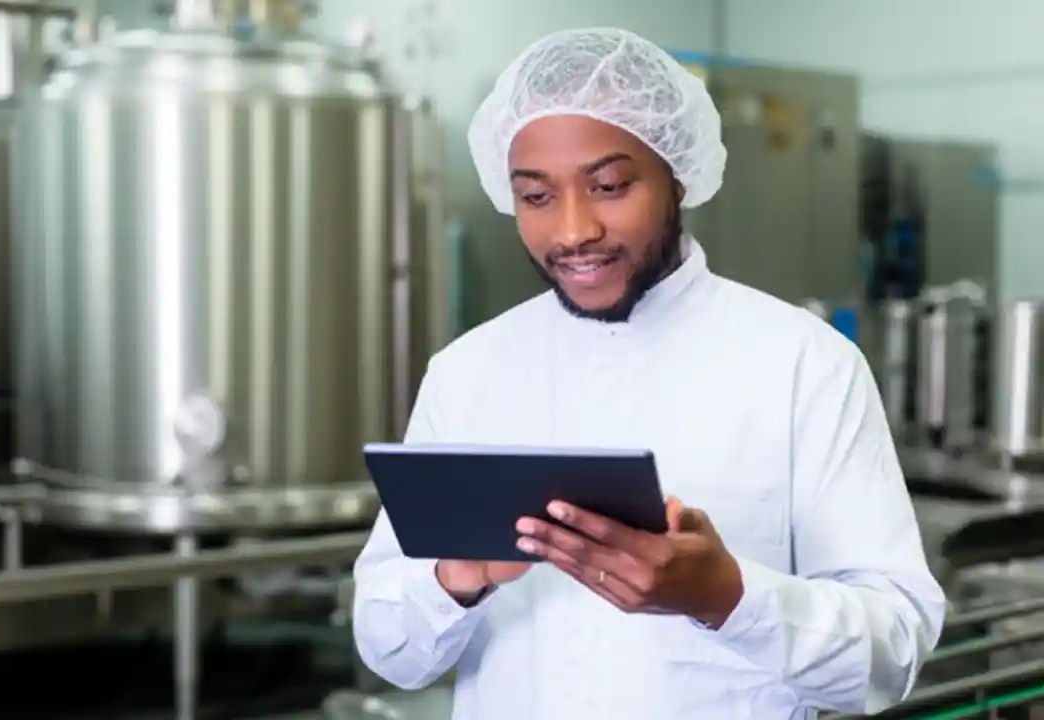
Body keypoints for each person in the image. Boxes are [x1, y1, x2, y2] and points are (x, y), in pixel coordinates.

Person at [350, 26, 947, 718]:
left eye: (608, 185)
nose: (573, 231)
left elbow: (894, 652)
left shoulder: (803, 365)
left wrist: (726, 596)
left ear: (678, 174)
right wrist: (462, 576)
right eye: (537, 197)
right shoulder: (468, 373)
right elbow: (388, 647)